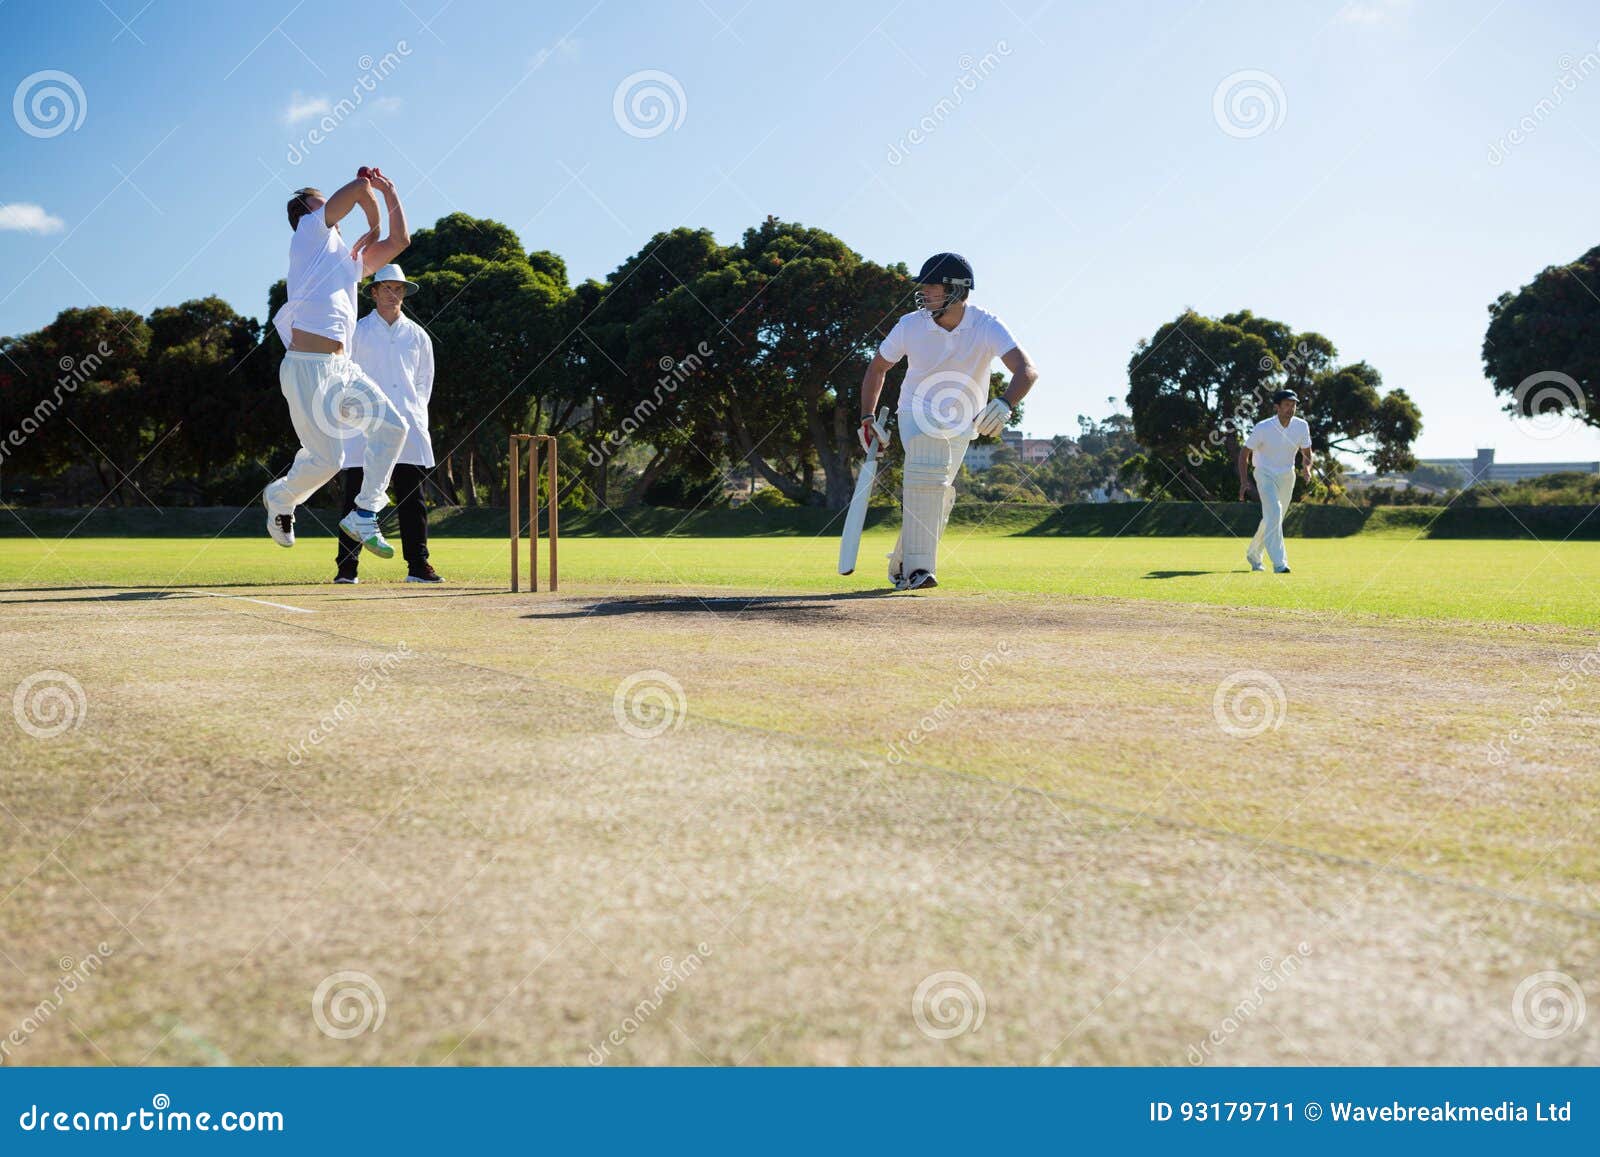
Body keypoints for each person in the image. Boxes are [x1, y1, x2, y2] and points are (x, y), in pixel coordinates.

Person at [856, 252, 1038, 589]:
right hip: (915, 411)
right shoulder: (911, 324)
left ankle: (903, 566)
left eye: (931, 287)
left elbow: (1026, 371)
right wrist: (868, 416)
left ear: (956, 289)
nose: (924, 293)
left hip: (961, 422)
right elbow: (877, 368)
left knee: (936, 494)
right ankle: (918, 572)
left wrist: (1004, 402)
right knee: (927, 473)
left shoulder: (986, 325)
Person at [262, 169, 411, 560]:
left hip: (343, 368)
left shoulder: (346, 261)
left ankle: (365, 512)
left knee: (393, 426)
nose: (335, 216)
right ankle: (279, 497)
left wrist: (390, 191)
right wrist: (372, 210)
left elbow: (400, 241)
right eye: (323, 207)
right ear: (306, 216)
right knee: (328, 461)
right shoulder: (309, 235)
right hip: (307, 367)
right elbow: (360, 189)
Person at [334, 264, 439, 584]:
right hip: (365, 427)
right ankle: (346, 568)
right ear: (374, 293)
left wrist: (415, 414)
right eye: (386, 288)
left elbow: (424, 384)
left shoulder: (418, 335)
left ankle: (418, 566)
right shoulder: (357, 331)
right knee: (356, 497)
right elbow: (342, 375)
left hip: (407, 426)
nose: (393, 294)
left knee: (413, 500)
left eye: (398, 289)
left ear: (404, 293)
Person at [1240, 389, 1313, 573]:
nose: (1291, 408)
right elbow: (1244, 454)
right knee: (1275, 511)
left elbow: (1307, 452)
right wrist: (1244, 481)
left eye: (1294, 405)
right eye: (1287, 405)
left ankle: (1253, 554)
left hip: (1287, 475)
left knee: (1274, 518)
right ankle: (1280, 563)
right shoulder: (1263, 427)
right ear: (1277, 407)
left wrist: (1306, 468)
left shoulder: (1301, 426)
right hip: (1264, 473)